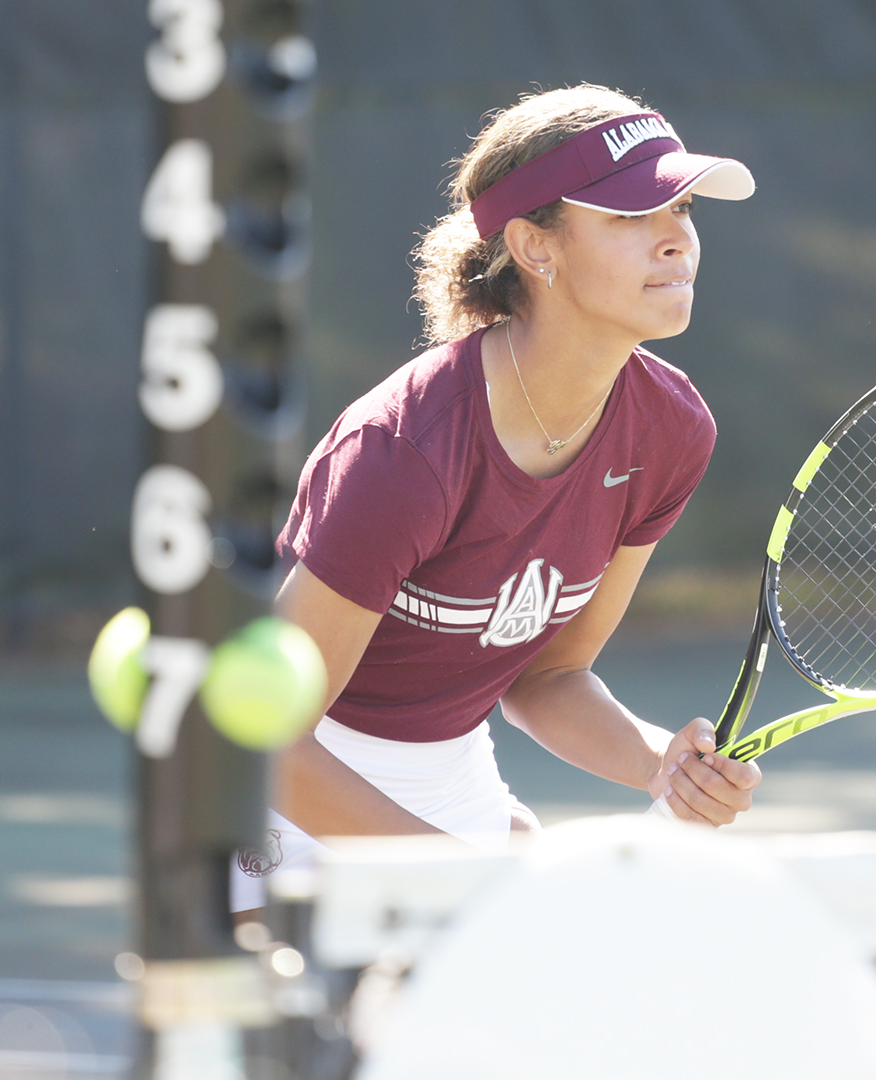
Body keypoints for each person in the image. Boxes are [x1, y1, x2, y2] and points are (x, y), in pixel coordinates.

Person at [233, 84, 761, 911]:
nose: (675, 239)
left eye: (684, 209)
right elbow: (266, 742)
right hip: (292, 796)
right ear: (533, 246)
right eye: (631, 214)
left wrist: (662, 764)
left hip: (456, 779)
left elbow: (550, 674)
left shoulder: (671, 430)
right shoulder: (403, 454)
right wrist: (463, 883)